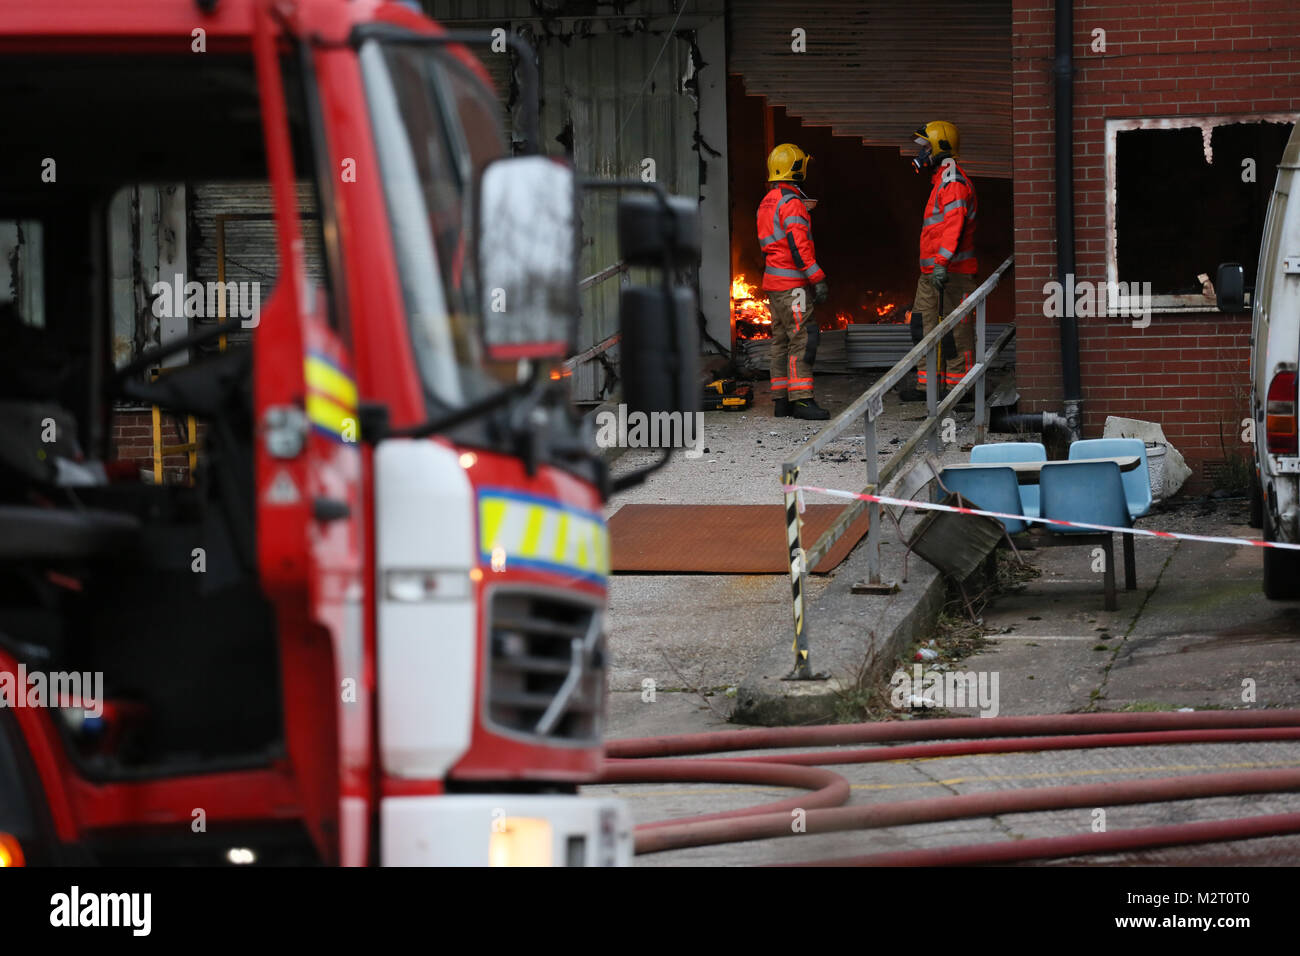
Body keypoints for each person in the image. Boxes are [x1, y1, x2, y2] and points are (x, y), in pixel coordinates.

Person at [898, 121, 978, 402]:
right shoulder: (942, 181)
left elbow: (953, 225)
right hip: (932, 272)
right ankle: (927, 387)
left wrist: (942, 262)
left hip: (952, 273)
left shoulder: (953, 182)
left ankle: (960, 390)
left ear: (941, 147)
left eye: (926, 147)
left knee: (957, 333)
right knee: (922, 324)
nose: (922, 154)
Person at [757, 143, 830, 420]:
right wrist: (818, 279)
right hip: (793, 286)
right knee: (803, 340)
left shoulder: (767, 201)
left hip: (773, 284)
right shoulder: (792, 204)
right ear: (797, 169)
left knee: (780, 342)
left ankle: (781, 400)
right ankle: (802, 400)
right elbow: (799, 247)